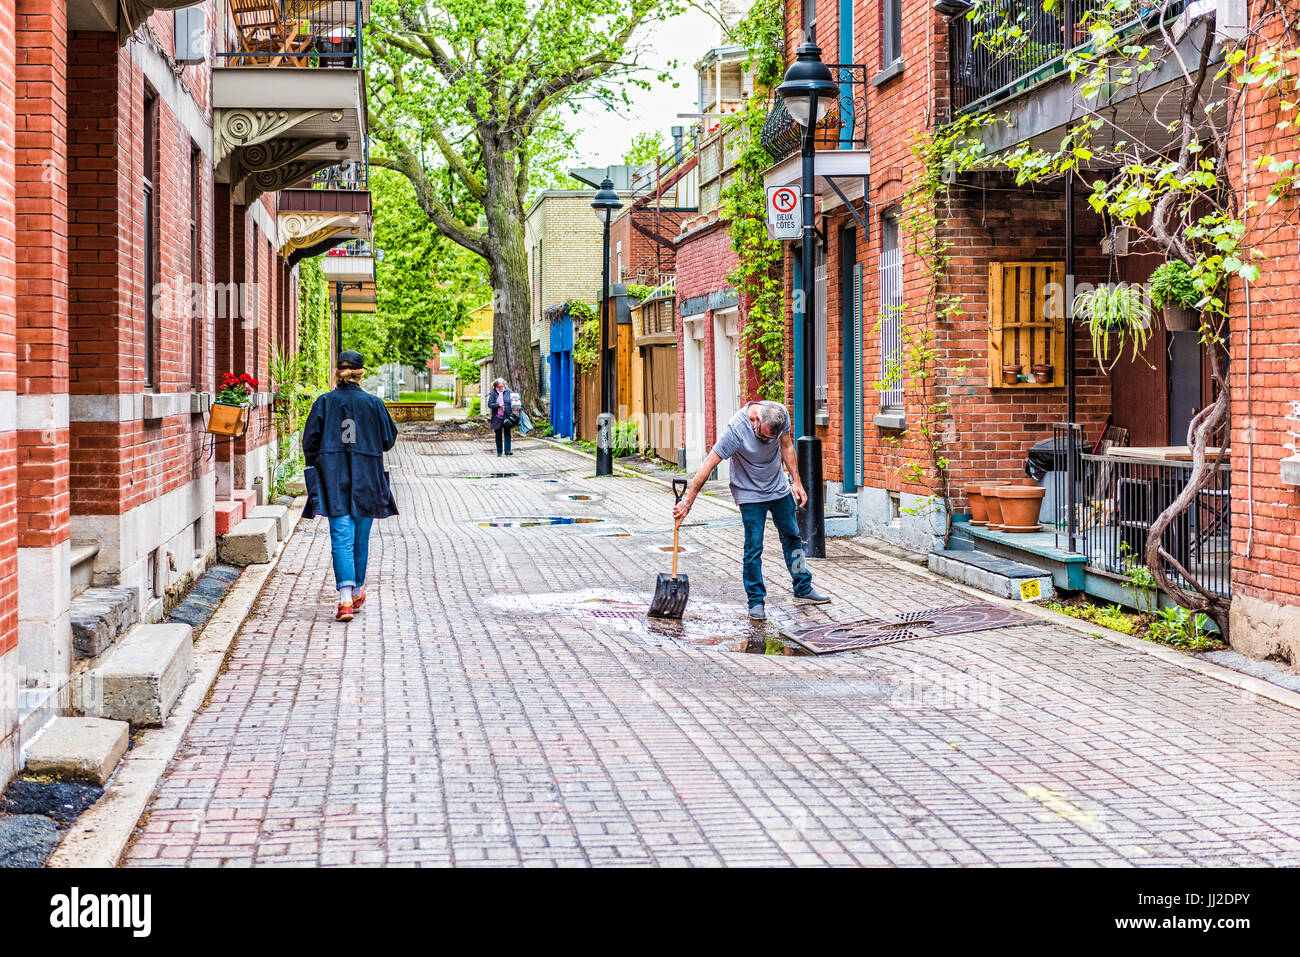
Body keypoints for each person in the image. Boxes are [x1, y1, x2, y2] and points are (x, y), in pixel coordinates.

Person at [672, 399, 830, 621]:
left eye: (769, 439)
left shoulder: (780, 415)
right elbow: (709, 464)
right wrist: (688, 502)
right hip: (749, 493)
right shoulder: (736, 430)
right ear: (756, 420)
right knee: (754, 546)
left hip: (777, 487)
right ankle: (756, 601)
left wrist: (797, 481)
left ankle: (802, 588)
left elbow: (786, 446)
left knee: (792, 536)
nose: (766, 441)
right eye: (763, 436)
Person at [302, 350, 399, 622]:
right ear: (360, 373)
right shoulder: (374, 404)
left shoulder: (324, 402)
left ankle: (345, 599)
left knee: (341, 537)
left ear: (338, 372)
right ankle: (357, 590)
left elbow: (309, 441)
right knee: (360, 537)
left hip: (333, 476)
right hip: (367, 476)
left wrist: (319, 463)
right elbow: (388, 439)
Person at [487, 377, 516, 456]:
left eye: (502, 386)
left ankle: (507, 451)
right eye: (499, 386)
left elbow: (515, 399)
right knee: (498, 434)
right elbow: (490, 404)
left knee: (507, 433)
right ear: (496, 386)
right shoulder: (493, 393)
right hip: (497, 417)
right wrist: (498, 405)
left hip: (507, 416)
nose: (501, 388)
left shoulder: (509, 391)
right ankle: (499, 452)